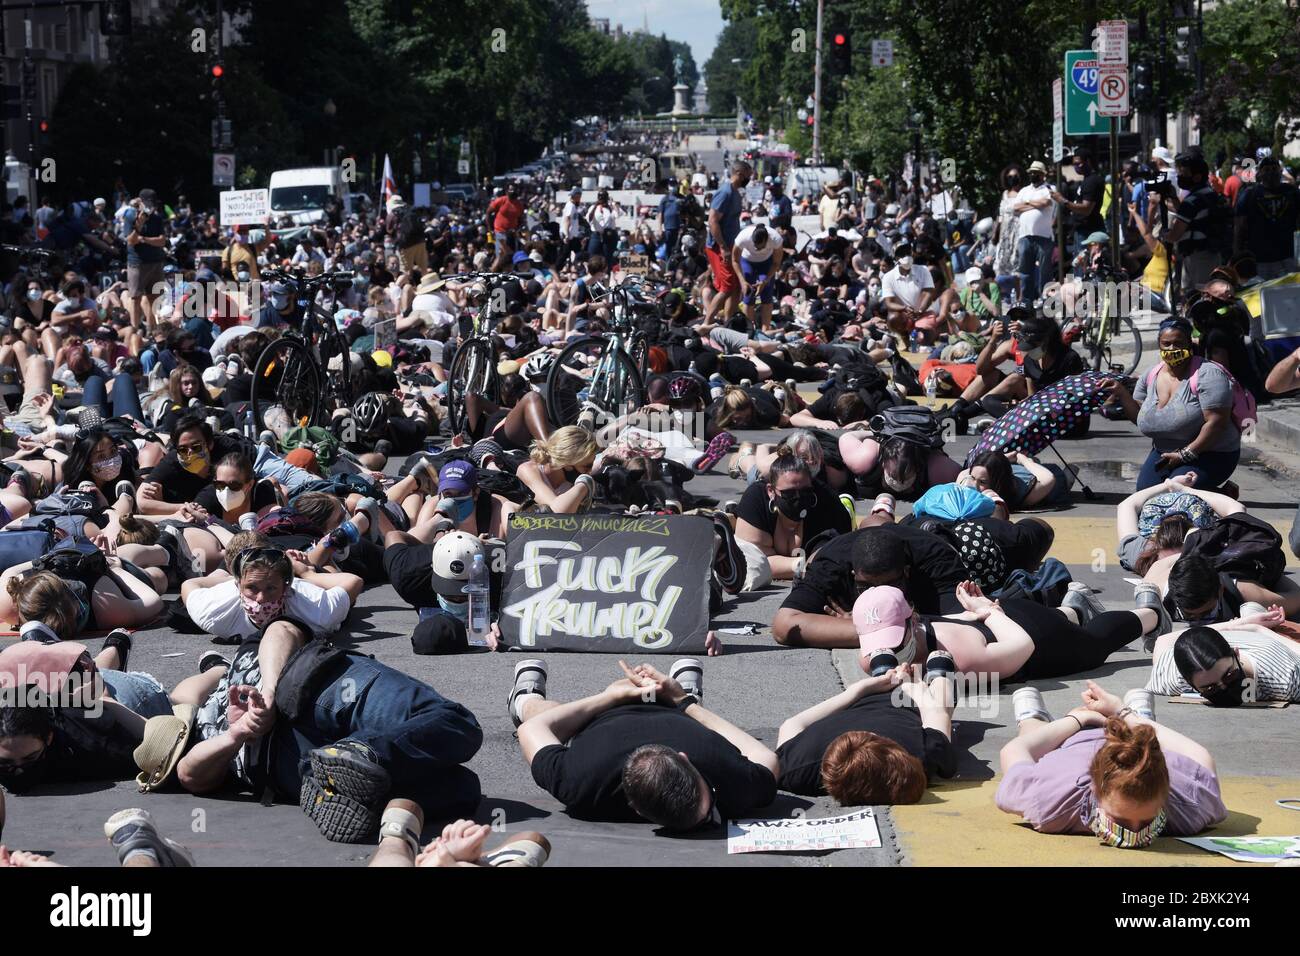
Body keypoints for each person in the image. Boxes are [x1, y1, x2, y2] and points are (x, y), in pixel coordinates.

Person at [177, 617, 483, 843]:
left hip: (305, 687)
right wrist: (238, 733)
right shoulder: (196, 745)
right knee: (462, 784)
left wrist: (268, 692)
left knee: (456, 733)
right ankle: (353, 768)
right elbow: (190, 774)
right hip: (285, 760)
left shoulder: (235, 668)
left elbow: (283, 629)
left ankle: (353, 768)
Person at [510, 659, 779, 830]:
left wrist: (610, 697)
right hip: (674, 711)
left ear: (635, 809)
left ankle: (525, 699)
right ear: (685, 757)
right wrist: (683, 702)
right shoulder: (734, 780)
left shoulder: (581, 783)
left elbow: (534, 729)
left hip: (605, 714)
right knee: (545, 715)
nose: (712, 814)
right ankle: (684, 689)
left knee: (550, 713)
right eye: (711, 813)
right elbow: (767, 759)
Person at [996, 680, 1226, 846]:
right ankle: (1030, 714)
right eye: (1120, 821)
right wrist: (1078, 718)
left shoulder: (1190, 803)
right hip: (1075, 738)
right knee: (1033, 732)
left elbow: (1200, 758)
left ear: (1167, 792)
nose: (1135, 834)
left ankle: (1139, 717)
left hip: (1141, 742)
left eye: (1148, 820)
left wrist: (1123, 714)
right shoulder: (1048, 800)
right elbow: (1018, 750)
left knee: (1144, 735)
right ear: (1094, 789)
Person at [853, 580, 1161, 684]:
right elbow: (960, 617)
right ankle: (1075, 608)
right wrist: (978, 610)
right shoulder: (873, 657)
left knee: (1095, 645)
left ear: (913, 620)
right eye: (879, 642)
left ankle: (1151, 615)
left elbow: (1022, 645)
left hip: (1034, 637)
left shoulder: (963, 659)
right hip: (998, 617)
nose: (887, 652)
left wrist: (987, 610)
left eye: (895, 641)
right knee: (1061, 621)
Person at [775, 660, 958, 803]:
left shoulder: (797, 769)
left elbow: (791, 724)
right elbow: (936, 713)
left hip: (867, 698)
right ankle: (940, 673)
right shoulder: (796, 770)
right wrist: (914, 688)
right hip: (905, 701)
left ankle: (886, 671)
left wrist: (858, 689)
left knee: (900, 682)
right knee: (941, 696)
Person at [772, 524, 970, 648]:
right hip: (835, 546)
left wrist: (871, 625)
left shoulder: (936, 561)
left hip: (922, 536)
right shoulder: (832, 566)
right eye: (865, 587)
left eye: (890, 585)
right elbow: (784, 626)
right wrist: (870, 628)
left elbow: (965, 624)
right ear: (853, 576)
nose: (878, 596)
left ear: (906, 573)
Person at [1102, 318, 1241, 491]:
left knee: (1175, 491)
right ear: (1159, 345)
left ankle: (1219, 496)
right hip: (1164, 452)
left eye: (1178, 343)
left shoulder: (1209, 374)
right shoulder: (1150, 375)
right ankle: (1216, 493)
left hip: (1211, 453)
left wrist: (1184, 455)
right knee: (1145, 497)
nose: (1172, 349)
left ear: (1189, 343)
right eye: (1166, 344)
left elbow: (1216, 423)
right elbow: (1139, 417)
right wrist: (1121, 392)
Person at [181, 535, 361, 643]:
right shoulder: (213, 613)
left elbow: (354, 581)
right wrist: (223, 579)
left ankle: (320, 560)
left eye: (271, 589)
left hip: (308, 581)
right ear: (238, 586)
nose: (260, 598)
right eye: (252, 588)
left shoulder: (317, 612)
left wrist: (307, 574)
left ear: (285, 588)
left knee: (327, 571)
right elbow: (189, 585)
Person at [734, 445, 852, 580]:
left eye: (805, 491)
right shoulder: (755, 500)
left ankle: (848, 508)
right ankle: (743, 455)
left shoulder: (826, 501)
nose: (798, 497)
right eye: (789, 493)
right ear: (771, 491)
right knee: (752, 470)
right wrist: (803, 565)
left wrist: (805, 565)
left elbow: (834, 559)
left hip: (836, 521)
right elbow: (753, 564)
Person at [1148, 612, 1300, 706]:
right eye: (1210, 688)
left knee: (1260, 611)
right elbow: (1163, 641)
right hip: (1236, 632)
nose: (1224, 688)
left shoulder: (1286, 677)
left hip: (1271, 640)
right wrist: (1234, 624)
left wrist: (1258, 629)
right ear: (1190, 683)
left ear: (1237, 654)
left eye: (1230, 675)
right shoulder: (1173, 678)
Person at [1163, 151, 1228, 292]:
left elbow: (1176, 234)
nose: (1180, 176)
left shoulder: (1192, 201)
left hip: (1198, 257)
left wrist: (1165, 235)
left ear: (1197, 176)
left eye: (1184, 173)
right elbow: (1190, 217)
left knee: (1198, 295)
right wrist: (1174, 198)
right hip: (1211, 252)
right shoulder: (1209, 194)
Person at [702, 161, 752, 324]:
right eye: (748, 174)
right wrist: (723, 247)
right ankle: (706, 323)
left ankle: (728, 322)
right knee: (727, 287)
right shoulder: (725, 192)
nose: (749, 178)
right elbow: (713, 221)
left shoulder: (736, 193)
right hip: (719, 247)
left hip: (730, 246)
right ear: (739, 173)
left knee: (736, 287)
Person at [1234, 156, 1299, 280]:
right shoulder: (1249, 194)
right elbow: (1239, 226)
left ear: (1280, 171)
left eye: (1274, 169)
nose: (1271, 172)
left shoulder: (1292, 192)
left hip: (1288, 256)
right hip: (1260, 258)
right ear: (1260, 173)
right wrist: (1237, 251)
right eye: (1267, 169)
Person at [121, 189, 167, 330]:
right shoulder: (130, 216)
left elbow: (162, 241)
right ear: (140, 202)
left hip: (155, 262)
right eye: (148, 203)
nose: (150, 207)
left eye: (152, 204)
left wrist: (144, 239)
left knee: (154, 297)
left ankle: (151, 330)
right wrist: (139, 225)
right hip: (137, 263)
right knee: (135, 298)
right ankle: (134, 330)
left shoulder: (157, 218)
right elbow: (130, 240)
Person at [1014, 161, 1056, 303]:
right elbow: (1015, 208)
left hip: (1044, 236)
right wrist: (1035, 203)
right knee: (1025, 272)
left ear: (1043, 175)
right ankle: (1027, 301)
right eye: (1031, 172)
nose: (1033, 175)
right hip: (1025, 236)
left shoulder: (1050, 188)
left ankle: (1044, 300)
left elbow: (1046, 203)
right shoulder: (1024, 191)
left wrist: (1026, 203)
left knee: (1045, 272)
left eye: (1036, 173)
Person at [730, 223, 784, 332]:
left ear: (766, 240)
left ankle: (765, 328)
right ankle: (749, 328)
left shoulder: (775, 238)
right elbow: (735, 260)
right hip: (747, 261)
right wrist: (742, 281)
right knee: (749, 295)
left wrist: (766, 280)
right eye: (755, 246)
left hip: (766, 263)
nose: (757, 249)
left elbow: (776, 263)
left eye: (760, 247)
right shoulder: (743, 237)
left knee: (767, 292)